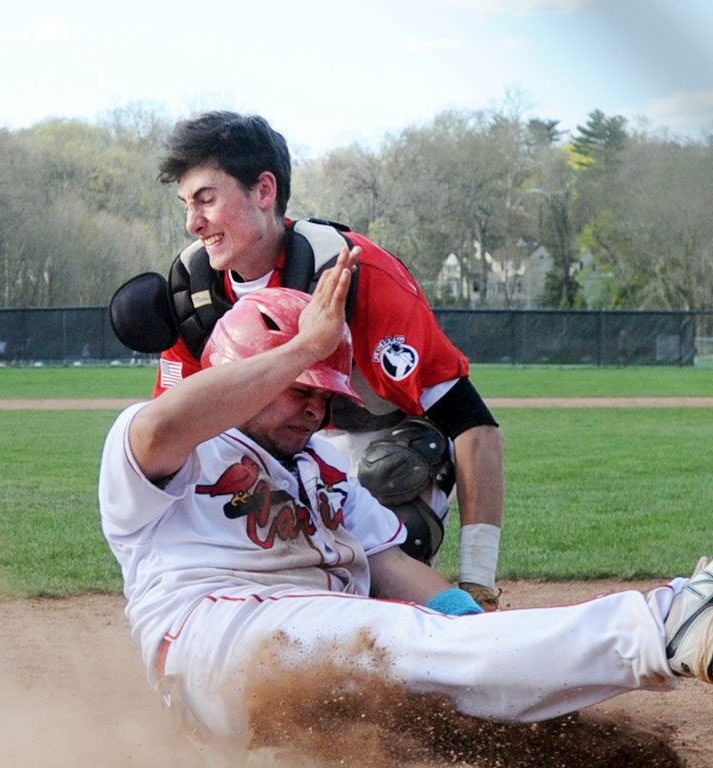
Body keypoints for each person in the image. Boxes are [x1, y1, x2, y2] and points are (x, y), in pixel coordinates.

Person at [98, 252, 713, 742]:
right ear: (237, 370)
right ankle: (662, 625)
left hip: (299, 659)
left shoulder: (320, 467)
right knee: (397, 643)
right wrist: (302, 346)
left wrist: (470, 621)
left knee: (438, 692)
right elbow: (165, 422)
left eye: (323, 396)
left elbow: (394, 566)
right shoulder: (175, 448)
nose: (315, 410)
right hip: (219, 636)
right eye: (299, 390)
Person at [109, 112, 505, 609]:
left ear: (264, 191)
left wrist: (477, 577)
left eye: (206, 199)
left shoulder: (349, 275)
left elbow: (473, 427)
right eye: (186, 205)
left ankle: (400, 614)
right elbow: (172, 433)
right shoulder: (194, 292)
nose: (193, 222)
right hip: (264, 460)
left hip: (360, 455)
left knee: (400, 466)